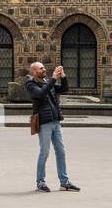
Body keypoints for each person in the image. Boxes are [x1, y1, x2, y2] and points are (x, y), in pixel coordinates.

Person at [26, 61, 80, 193]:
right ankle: (40, 182)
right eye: (41, 68)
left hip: (56, 121)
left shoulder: (47, 82)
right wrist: (53, 79)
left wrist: (63, 76)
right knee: (44, 152)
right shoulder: (31, 84)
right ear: (34, 72)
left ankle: (64, 182)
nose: (44, 69)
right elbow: (40, 94)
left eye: (44, 67)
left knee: (61, 152)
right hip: (44, 123)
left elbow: (63, 89)